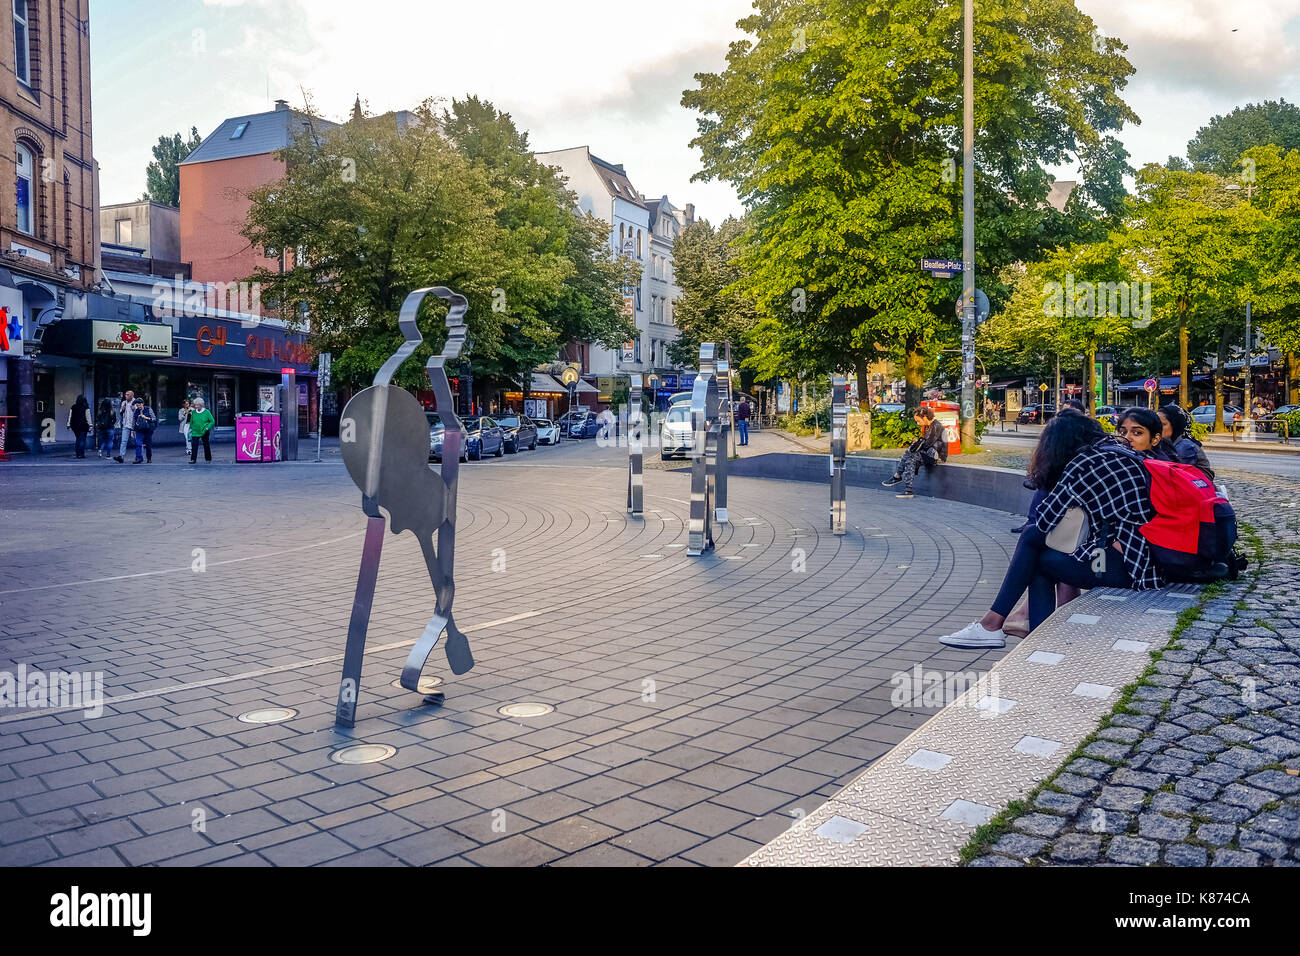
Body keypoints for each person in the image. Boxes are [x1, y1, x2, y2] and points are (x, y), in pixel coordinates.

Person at [940, 419, 1161, 648]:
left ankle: (998, 626)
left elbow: (1045, 520)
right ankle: (1016, 631)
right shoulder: (1119, 454)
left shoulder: (1085, 463)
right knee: (1038, 551)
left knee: (1032, 543)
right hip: (1143, 561)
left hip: (1124, 567)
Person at [882, 407, 946, 499]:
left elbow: (928, 444)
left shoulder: (936, 426)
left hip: (935, 456)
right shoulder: (928, 426)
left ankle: (898, 477)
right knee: (910, 454)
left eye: (918, 421)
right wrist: (918, 443)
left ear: (924, 417)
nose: (917, 423)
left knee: (911, 454)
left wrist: (918, 443)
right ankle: (906, 488)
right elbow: (926, 443)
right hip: (928, 452)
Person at [1156, 405, 1214, 480]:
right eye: (1156, 424)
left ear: (1175, 425)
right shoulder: (1165, 443)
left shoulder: (1185, 446)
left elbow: (1170, 473)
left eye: (1163, 424)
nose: (1157, 428)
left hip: (1196, 488)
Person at [188, 397, 215, 462]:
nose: (196, 406)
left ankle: (208, 459)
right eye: (195, 405)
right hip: (195, 431)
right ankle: (193, 459)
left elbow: (212, 421)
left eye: (197, 405)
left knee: (206, 445)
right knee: (194, 445)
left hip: (204, 431)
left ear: (201, 405)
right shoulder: (194, 412)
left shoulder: (206, 412)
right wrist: (191, 428)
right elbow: (191, 421)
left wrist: (207, 427)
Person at [132, 397, 157, 464]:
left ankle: (149, 458)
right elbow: (133, 421)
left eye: (139, 405)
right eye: (137, 405)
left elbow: (154, 419)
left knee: (148, 444)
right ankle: (139, 458)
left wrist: (145, 417)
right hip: (139, 430)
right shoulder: (136, 411)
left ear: (142, 404)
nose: (138, 406)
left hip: (147, 429)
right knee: (138, 443)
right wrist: (132, 430)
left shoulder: (148, 409)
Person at [67, 394, 92, 459]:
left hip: (74, 425)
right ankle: (81, 453)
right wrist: (90, 426)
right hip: (83, 425)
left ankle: (77, 453)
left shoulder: (73, 407)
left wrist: (68, 424)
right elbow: (88, 417)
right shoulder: (86, 407)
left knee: (78, 439)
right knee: (82, 440)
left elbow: (70, 416)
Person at [114, 390, 135, 463]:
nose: (126, 396)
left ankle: (139, 456)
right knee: (123, 441)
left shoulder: (135, 402)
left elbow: (138, 412)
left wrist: (134, 409)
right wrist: (122, 410)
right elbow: (121, 413)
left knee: (137, 442)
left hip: (134, 425)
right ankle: (121, 456)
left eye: (127, 394)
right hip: (126, 424)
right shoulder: (124, 403)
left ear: (132, 395)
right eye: (125, 394)